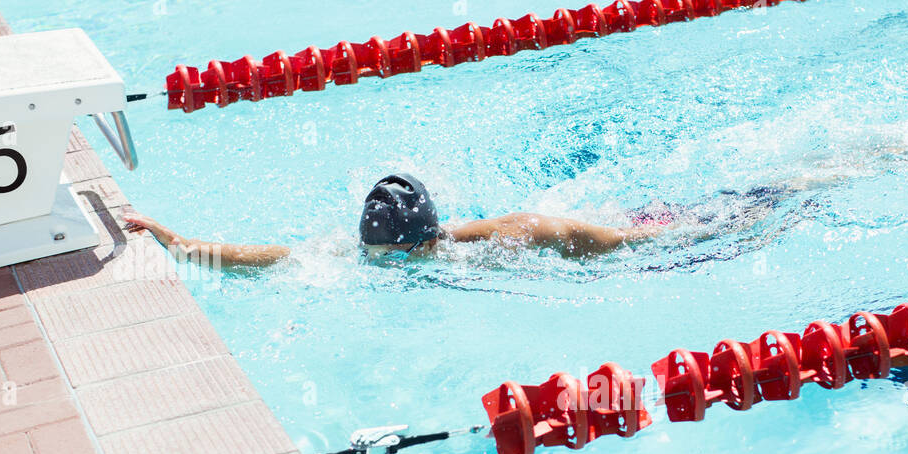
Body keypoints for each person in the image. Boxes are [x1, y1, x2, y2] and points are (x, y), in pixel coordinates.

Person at [122, 173, 664, 268]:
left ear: (425, 243)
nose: (383, 268)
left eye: (395, 258)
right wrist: (174, 239)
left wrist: (708, 231)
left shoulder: (510, 236)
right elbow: (255, 259)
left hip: (623, 227)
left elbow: (610, 240)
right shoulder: (354, 254)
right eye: (375, 258)